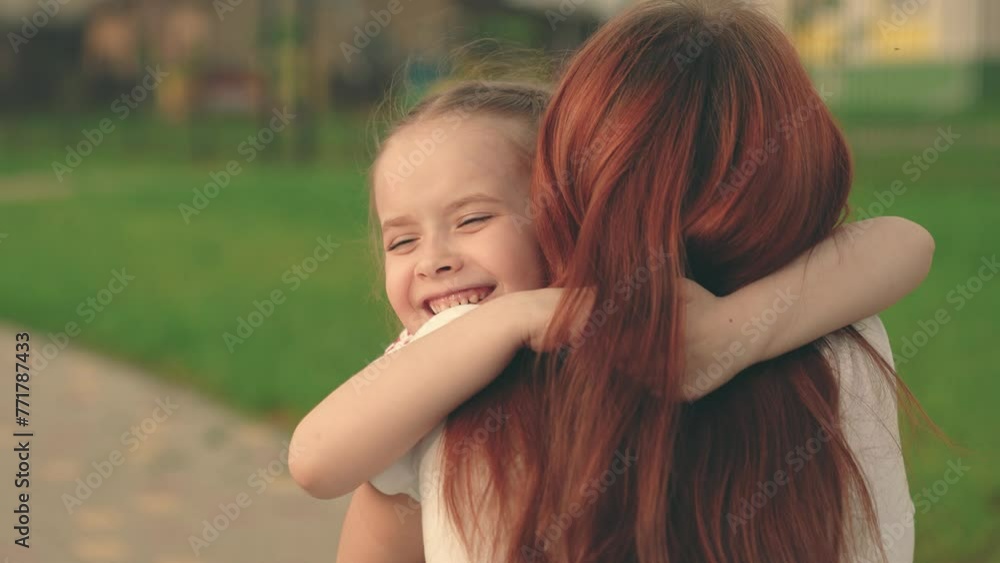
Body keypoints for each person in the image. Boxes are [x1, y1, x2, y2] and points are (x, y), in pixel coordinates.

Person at [290, 68, 932, 563]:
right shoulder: (447, 346)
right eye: (402, 240)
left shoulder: (648, 300)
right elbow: (315, 461)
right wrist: (511, 319)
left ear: (568, 210)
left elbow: (902, 241)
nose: (433, 260)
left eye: (474, 219)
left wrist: (723, 330)